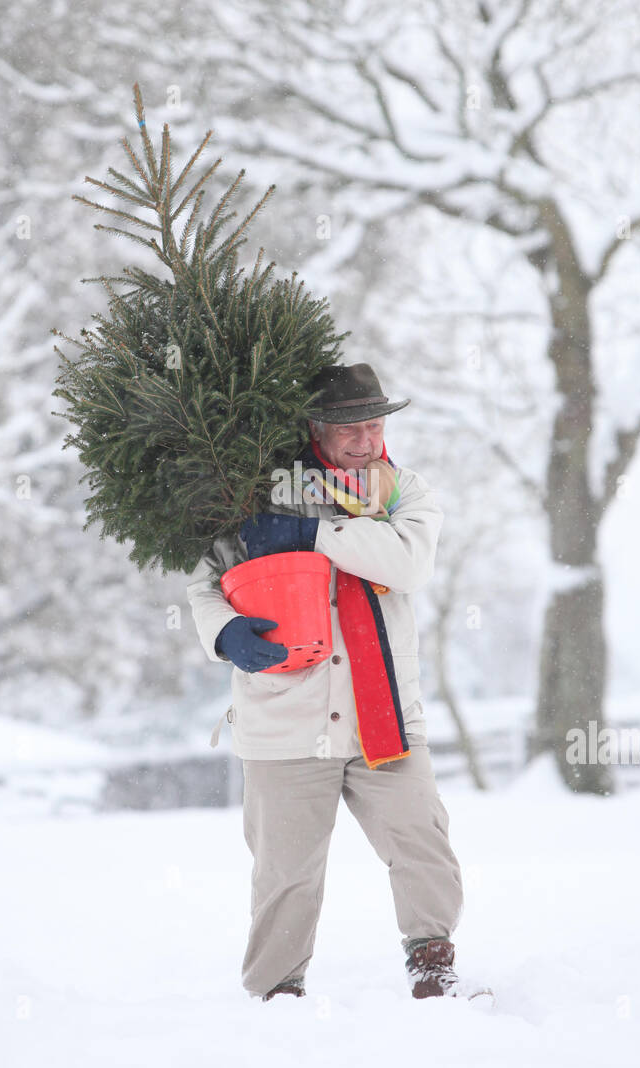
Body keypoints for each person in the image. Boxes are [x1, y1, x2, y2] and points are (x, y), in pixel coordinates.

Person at [185, 362, 466, 1001]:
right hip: (284, 718)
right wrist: (224, 632)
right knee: (286, 873)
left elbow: (407, 563)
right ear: (316, 429)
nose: (365, 439)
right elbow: (205, 583)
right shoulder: (260, 493)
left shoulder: (406, 494)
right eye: (349, 429)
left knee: (423, 844)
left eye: (375, 424)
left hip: (385, 717)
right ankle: (275, 994)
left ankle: (433, 961)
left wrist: (316, 533)